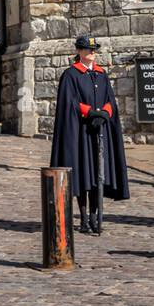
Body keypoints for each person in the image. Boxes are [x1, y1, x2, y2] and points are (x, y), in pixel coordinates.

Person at [50, 34, 130, 234]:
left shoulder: (101, 75)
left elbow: (110, 100)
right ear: (79, 52)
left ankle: (94, 216)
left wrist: (105, 113)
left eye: (94, 50)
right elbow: (69, 102)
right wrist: (88, 111)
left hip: (99, 130)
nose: (92, 53)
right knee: (83, 176)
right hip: (81, 132)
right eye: (88, 50)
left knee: (98, 176)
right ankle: (84, 217)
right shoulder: (71, 75)